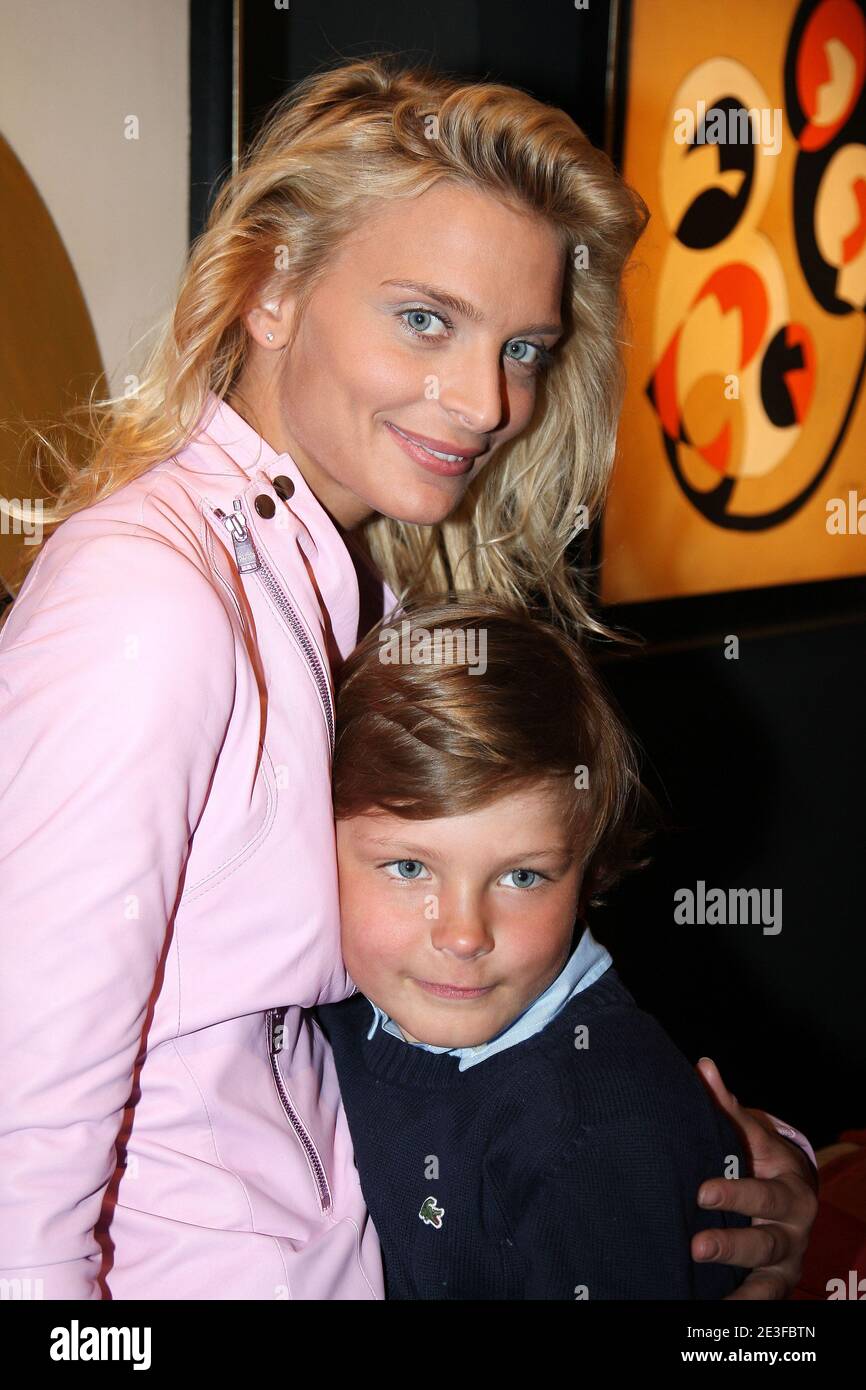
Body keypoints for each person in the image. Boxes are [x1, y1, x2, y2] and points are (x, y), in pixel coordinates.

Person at [0, 56, 816, 1300]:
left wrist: (722, 1162)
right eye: (425, 319)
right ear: (272, 287)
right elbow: (21, 1152)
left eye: (525, 346)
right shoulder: (150, 605)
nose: (488, 400)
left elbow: (459, 995)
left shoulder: (357, 594)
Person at [317, 595, 753, 1299]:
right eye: (409, 868)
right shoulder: (327, 1010)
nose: (462, 935)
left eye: (521, 876)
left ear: (589, 874)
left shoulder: (598, 1134)